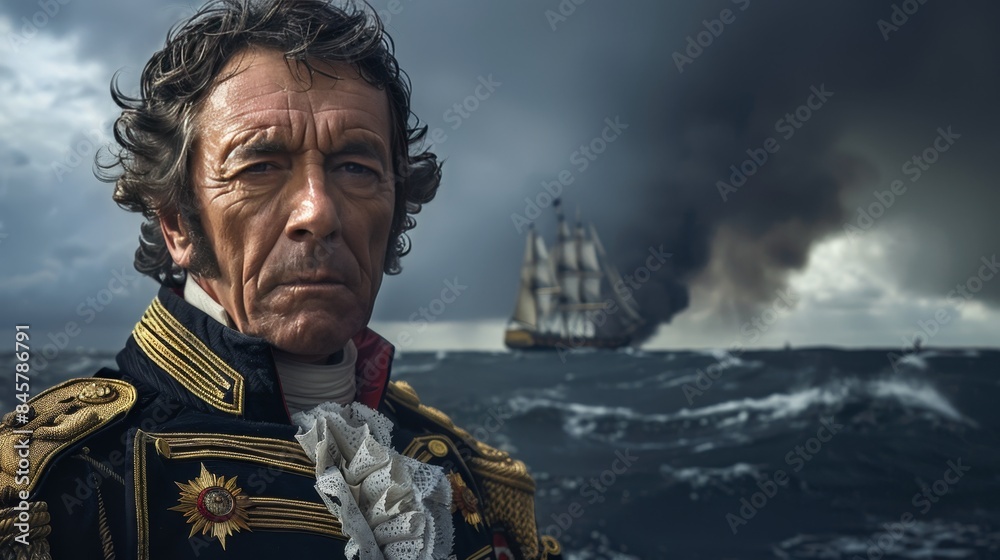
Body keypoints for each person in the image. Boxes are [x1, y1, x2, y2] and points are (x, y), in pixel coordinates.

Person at [0, 1, 562, 558]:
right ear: (177, 223)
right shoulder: (58, 486)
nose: (318, 212)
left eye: (356, 168)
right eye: (259, 167)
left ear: (395, 208)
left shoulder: (465, 472)